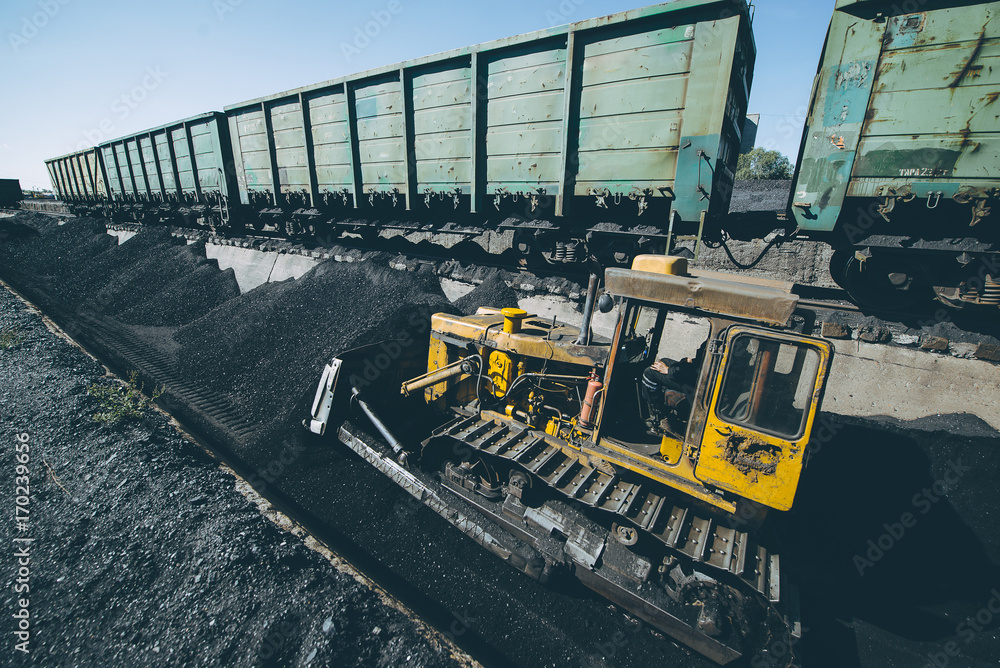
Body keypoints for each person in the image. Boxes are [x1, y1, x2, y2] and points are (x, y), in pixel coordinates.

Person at [641, 344, 704, 438]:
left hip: (701, 385)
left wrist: (669, 370)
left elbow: (698, 372)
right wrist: (692, 362)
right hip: (699, 377)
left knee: (649, 373)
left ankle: (658, 418)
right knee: (664, 361)